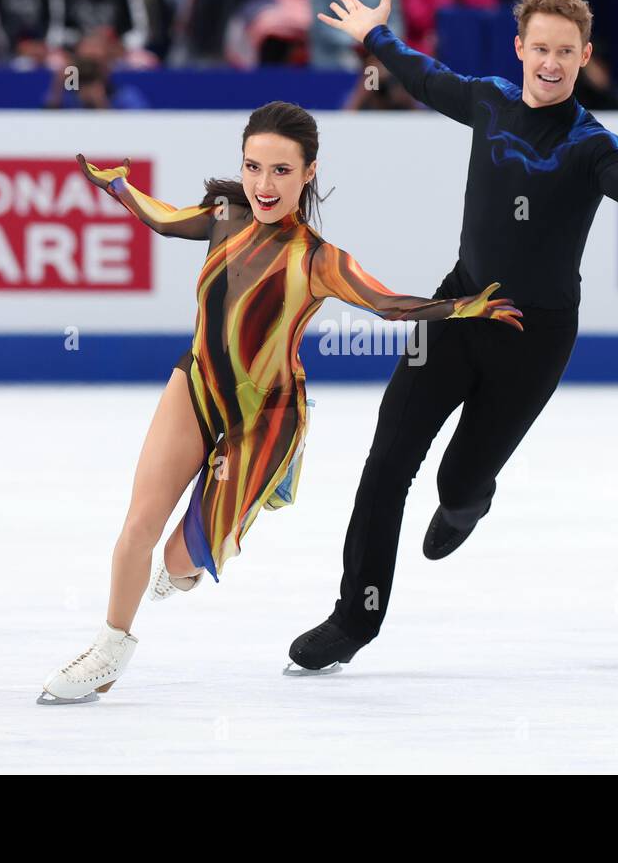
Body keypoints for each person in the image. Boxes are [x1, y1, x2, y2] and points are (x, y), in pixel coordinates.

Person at [289, 0, 618, 670]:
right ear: (519, 48)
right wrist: (375, 35)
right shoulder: (487, 101)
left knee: (456, 483)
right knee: (387, 462)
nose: (551, 62)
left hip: (533, 343)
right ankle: (353, 620)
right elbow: (426, 76)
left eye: (565, 52)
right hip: (457, 310)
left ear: (584, 57)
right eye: (540, 48)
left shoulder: (591, 143)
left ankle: (467, 501)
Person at [38, 100, 522, 703]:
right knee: (139, 523)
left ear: (308, 173)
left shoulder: (318, 258)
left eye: (281, 171)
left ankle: (247, 497)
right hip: (196, 387)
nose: (264, 185)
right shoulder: (224, 216)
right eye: (253, 167)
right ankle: (108, 653)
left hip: (266, 419)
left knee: (179, 561)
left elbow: (388, 304)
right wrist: (122, 190)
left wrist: (461, 306)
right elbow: (164, 220)